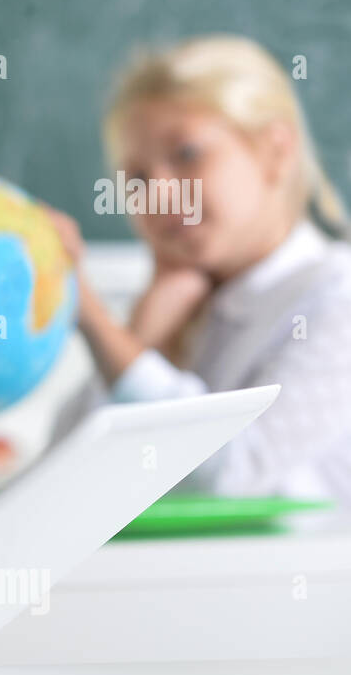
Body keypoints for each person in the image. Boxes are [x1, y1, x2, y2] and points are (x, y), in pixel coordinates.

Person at [51, 34, 351, 504]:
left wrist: (95, 321)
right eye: (137, 179)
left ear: (275, 152)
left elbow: (237, 474)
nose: (161, 195)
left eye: (187, 155)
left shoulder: (338, 292)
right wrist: (141, 335)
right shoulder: (181, 301)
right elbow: (58, 473)